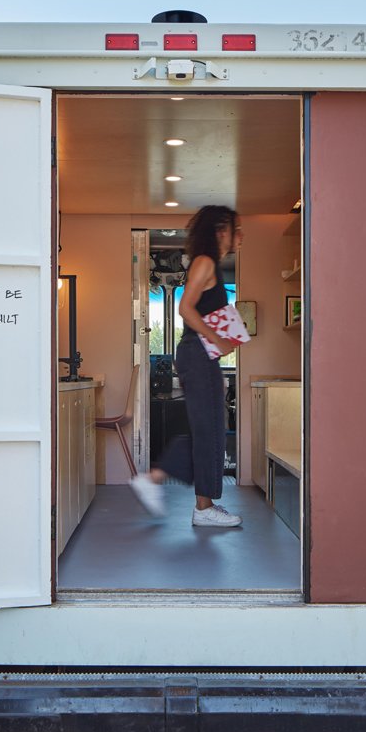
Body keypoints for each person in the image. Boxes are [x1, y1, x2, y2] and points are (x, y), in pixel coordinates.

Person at [129, 205, 244, 527]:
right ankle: (189, 500)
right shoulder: (205, 262)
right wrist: (218, 339)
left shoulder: (209, 264)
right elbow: (185, 308)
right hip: (197, 352)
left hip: (200, 354)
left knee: (208, 428)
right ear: (221, 230)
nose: (240, 236)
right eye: (236, 229)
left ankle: (197, 503)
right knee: (208, 429)